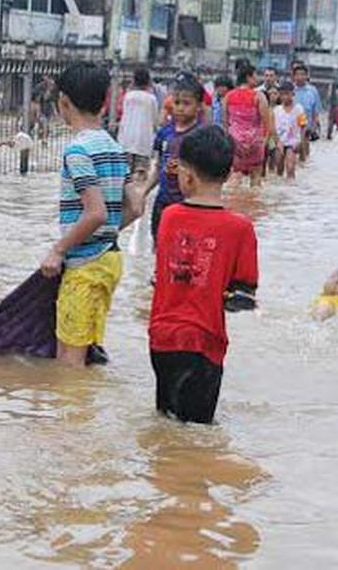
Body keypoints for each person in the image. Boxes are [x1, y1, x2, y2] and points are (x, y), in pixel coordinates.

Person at [150, 125, 259, 424]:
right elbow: (244, 294)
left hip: (162, 338)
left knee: (166, 421)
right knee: (197, 432)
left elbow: (161, 273)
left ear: (187, 176)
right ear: (228, 174)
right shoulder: (240, 228)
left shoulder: (169, 216)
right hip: (204, 343)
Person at [40, 62, 129, 368]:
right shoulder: (114, 147)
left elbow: (96, 213)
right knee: (88, 349)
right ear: (104, 102)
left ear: (63, 102)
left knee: (69, 362)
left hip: (85, 265)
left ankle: (73, 415)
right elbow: (133, 206)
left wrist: (58, 249)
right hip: (110, 261)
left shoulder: (77, 151)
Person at [141, 74, 203, 244]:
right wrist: (143, 192)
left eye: (186, 103)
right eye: (177, 103)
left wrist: (183, 171)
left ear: (198, 106)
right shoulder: (164, 133)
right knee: (158, 247)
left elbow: (206, 175)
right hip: (162, 201)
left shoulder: (201, 136)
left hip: (188, 205)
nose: (180, 108)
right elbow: (158, 168)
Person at [224, 59, 272, 188]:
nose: (257, 78)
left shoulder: (228, 96)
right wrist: (264, 142)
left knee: (234, 176)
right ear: (249, 77)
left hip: (235, 142)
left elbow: (226, 124)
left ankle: (231, 204)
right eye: (255, 75)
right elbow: (267, 124)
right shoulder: (259, 96)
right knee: (256, 180)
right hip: (255, 142)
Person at [118, 68, 160, 182]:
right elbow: (156, 120)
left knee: (125, 174)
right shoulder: (151, 99)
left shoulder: (128, 96)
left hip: (126, 139)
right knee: (140, 174)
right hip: (144, 141)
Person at [273, 81, 306, 181]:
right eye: (282, 94)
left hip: (293, 141)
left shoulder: (299, 109)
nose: (285, 97)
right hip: (280, 141)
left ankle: (291, 187)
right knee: (279, 168)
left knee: (290, 167)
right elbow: (273, 128)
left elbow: (303, 125)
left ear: (293, 94)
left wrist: (301, 141)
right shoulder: (276, 110)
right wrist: (277, 142)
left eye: (287, 94)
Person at [292, 63, 321, 162]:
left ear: (307, 76)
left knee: (304, 156)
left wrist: (314, 127)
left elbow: (316, 112)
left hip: (306, 129)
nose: (300, 77)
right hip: (290, 128)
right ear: (293, 76)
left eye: (302, 74)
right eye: (298, 74)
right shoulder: (289, 90)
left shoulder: (313, 91)